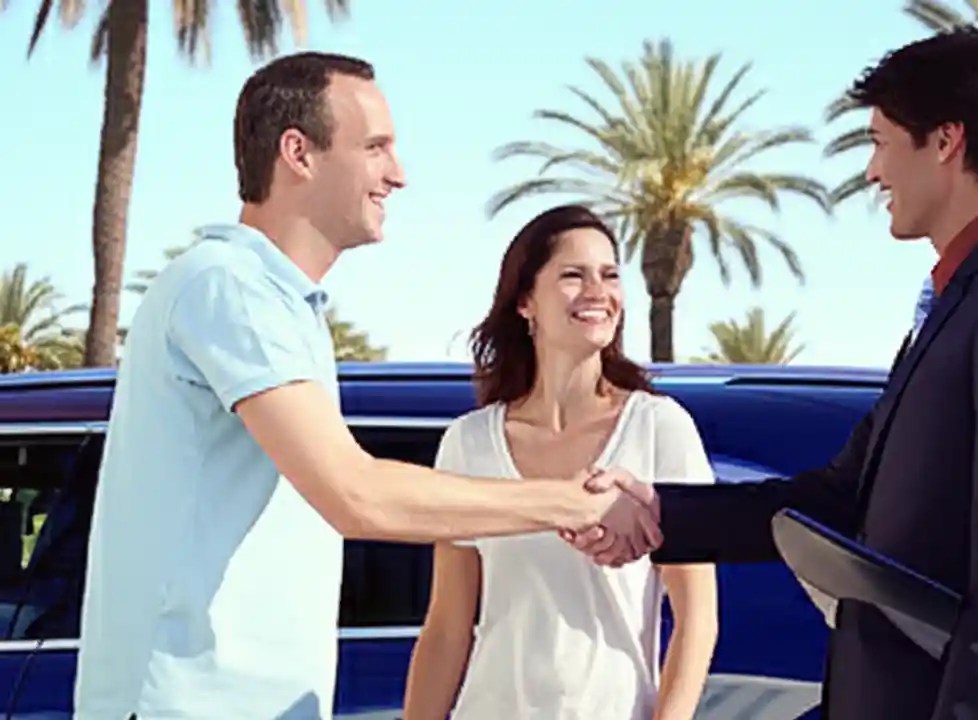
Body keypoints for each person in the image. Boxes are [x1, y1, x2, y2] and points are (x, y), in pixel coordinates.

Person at [74, 53, 655, 720]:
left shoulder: (284, 308)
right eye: (376, 147)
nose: (398, 175)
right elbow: (356, 495)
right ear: (299, 152)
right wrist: (577, 504)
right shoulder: (226, 285)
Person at [569, 27, 978, 720]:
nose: (872, 172)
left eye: (882, 142)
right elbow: (838, 499)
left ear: (946, 142)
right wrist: (656, 512)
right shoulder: (964, 303)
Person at [401, 205, 719, 720]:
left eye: (610, 274)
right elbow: (447, 625)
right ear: (525, 300)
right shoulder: (468, 442)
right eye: (573, 275)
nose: (598, 291)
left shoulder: (659, 428)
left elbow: (698, 618)